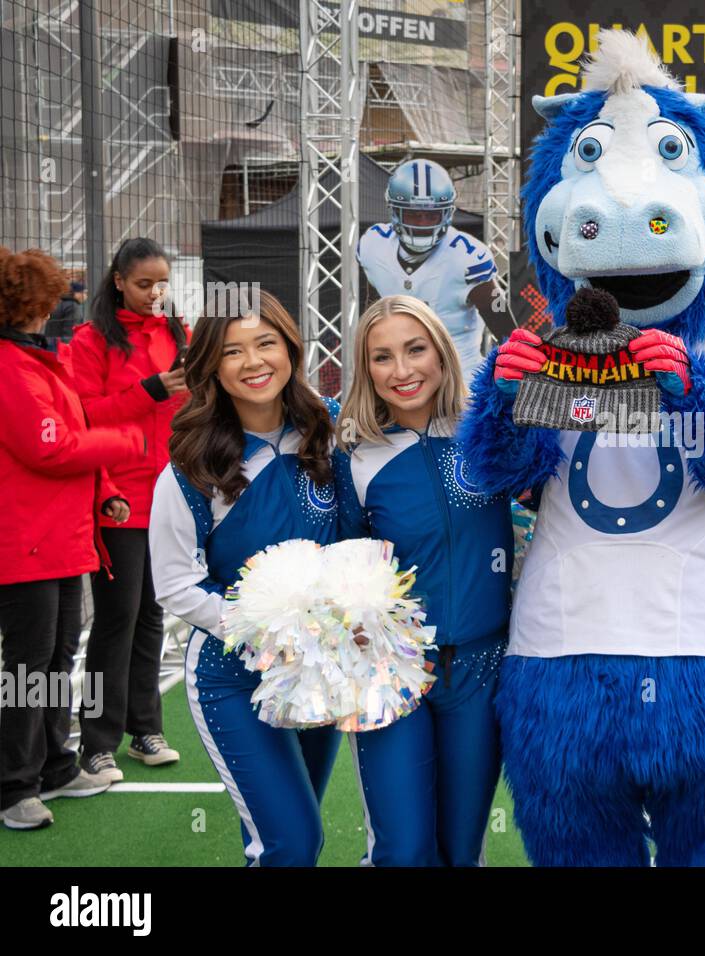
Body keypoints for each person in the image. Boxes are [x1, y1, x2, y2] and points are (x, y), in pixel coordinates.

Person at [149, 291, 342, 865]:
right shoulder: (191, 465)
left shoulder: (330, 430)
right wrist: (272, 627)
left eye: (265, 343)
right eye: (232, 351)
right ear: (209, 365)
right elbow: (175, 584)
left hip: (321, 669)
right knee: (291, 842)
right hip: (233, 677)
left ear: (290, 348)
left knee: (281, 837)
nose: (254, 362)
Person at [334, 294, 512, 866]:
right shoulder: (350, 453)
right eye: (382, 357)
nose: (402, 370)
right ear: (365, 369)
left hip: (483, 668)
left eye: (416, 350)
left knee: (463, 851)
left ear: (443, 353)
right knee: (405, 851)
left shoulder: (488, 432)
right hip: (392, 675)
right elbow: (338, 564)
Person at [0, 247, 142, 830]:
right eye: (47, 300)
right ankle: (13, 786)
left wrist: (104, 484)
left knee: (57, 657)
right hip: (26, 541)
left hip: (60, 537)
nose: (54, 308)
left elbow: (69, 433)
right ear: (30, 306)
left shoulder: (38, 361)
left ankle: (55, 766)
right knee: (27, 667)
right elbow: (50, 446)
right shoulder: (11, 367)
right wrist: (125, 443)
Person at [72, 238, 189, 781]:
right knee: (114, 620)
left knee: (151, 616)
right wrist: (148, 391)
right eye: (144, 284)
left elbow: (186, 410)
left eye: (161, 283)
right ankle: (95, 742)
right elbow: (84, 417)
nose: (154, 294)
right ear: (118, 280)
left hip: (169, 496)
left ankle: (145, 730)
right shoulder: (91, 340)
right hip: (116, 498)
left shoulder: (175, 332)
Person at [356, 159, 508, 379]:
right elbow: (373, 310)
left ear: (446, 214)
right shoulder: (373, 245)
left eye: (431, 215)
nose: (422, 223)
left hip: (458, 382)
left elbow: (506, 332)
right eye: (413, 215)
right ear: (395, 212)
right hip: (400, 377)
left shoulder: (466, 257)